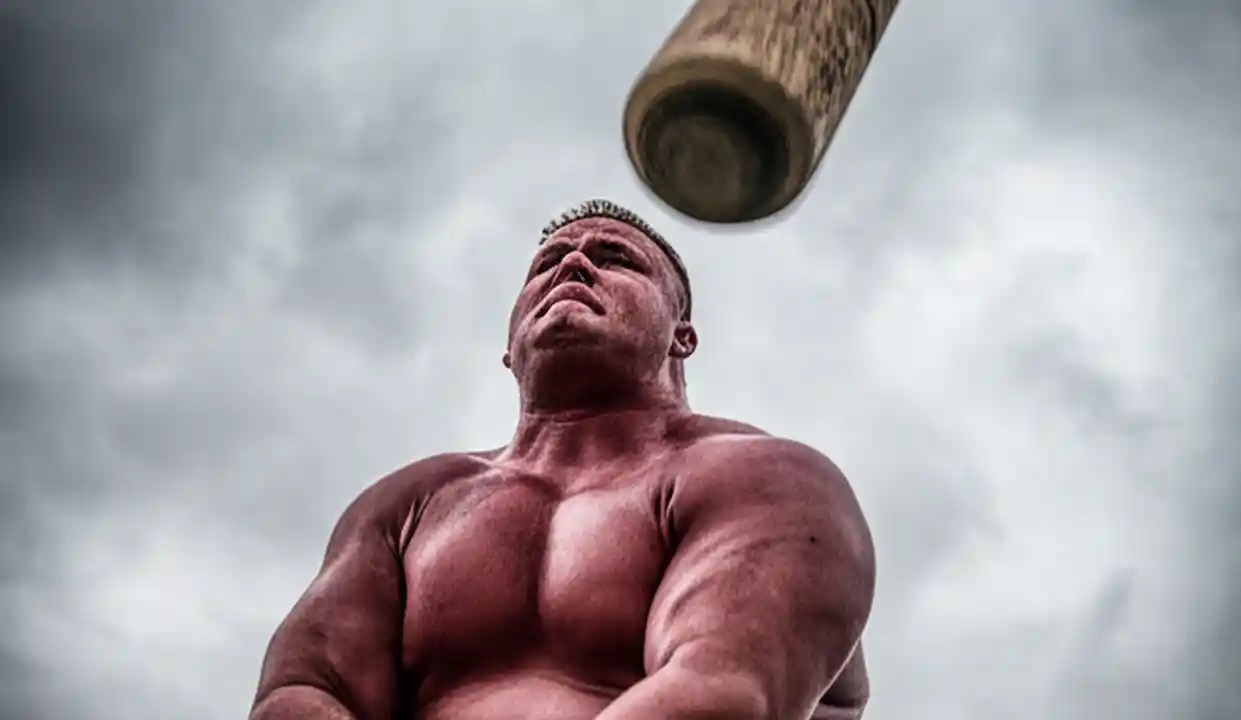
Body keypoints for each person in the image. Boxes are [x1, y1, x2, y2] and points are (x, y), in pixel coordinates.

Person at [249, 199, 876, 720]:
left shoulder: (769, 478)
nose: (573, 263)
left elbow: (722, 694)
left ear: (682, 334)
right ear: (508, 345)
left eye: (615, 259)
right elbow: (305, 692)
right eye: (547, 264)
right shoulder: (409, 502)